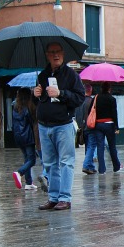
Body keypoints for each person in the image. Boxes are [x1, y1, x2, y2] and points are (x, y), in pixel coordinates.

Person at [33, 43, 85, 210]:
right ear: (47, 55)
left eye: (58, 52)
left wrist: (61, 93)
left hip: (63, 125)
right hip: (44, 126)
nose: (56, 55)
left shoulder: (71, 75)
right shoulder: (42, 75)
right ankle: (53, 197)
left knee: (66, 162)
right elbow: (41, 101)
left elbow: (79, 98)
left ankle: (65, 198)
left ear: (63, 54)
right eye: (52, 52)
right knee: (49, 164)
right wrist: (36, 95)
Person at [10, 88, 37, 190]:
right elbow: (32, 121)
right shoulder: (28, 107)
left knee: (26, 158)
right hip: (28, 136)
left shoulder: (15, 107)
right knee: (32, 160)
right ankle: (19, 172)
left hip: (18, 136)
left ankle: (29, 182)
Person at [92, 82, 122, 174]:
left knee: (100, 147)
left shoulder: (96, 98)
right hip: (109, 124)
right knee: (112, 146)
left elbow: (91, 110)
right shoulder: (112, 99)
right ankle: (116, 167)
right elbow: (114, 114)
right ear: (109, 89)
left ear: (101, 88)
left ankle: (101, 169)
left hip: (98, 125)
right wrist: (116, 127)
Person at [76, 84, 99, 175]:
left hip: (82, 128)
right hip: (91, 127)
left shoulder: (79, 101)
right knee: (91, 146)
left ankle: (90, 166)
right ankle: (86, 165)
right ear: (90, 91)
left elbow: (76, 115)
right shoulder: (91, 101)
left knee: (88, 147)